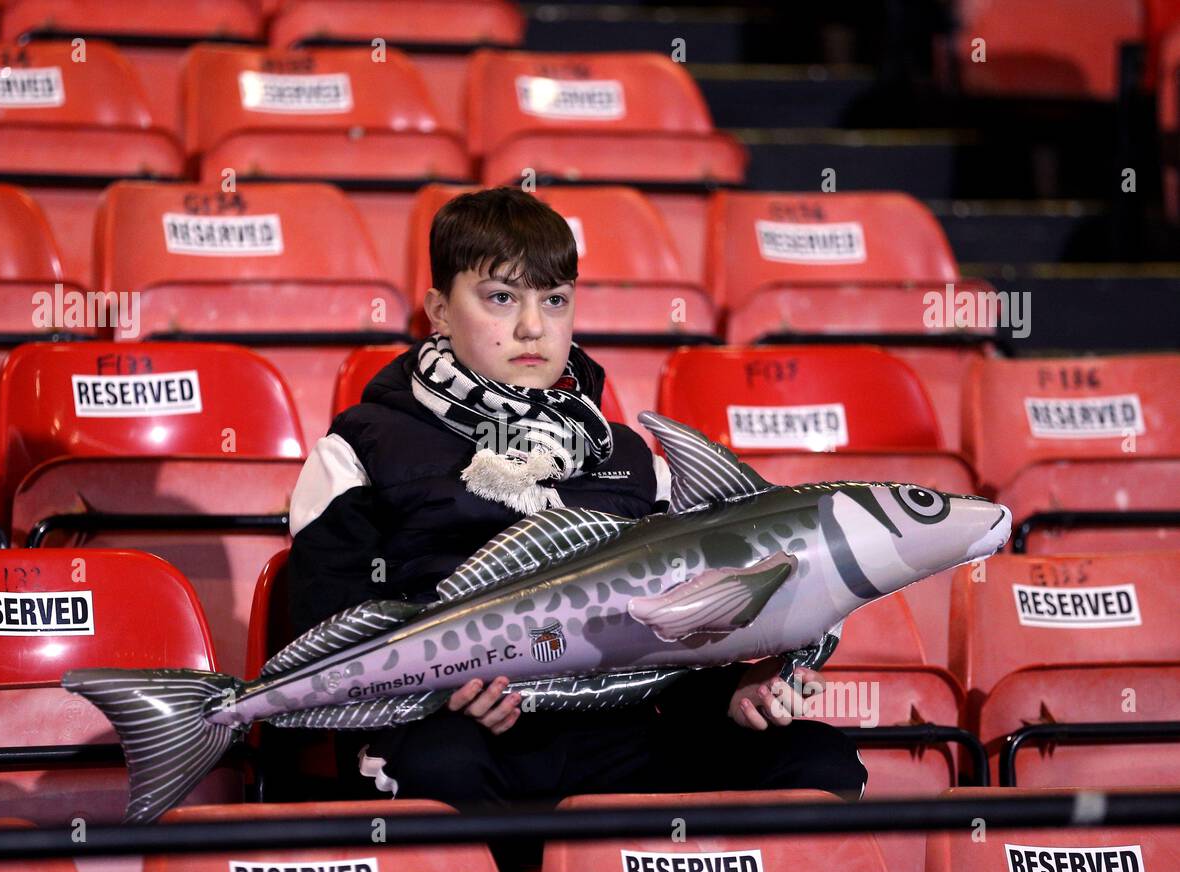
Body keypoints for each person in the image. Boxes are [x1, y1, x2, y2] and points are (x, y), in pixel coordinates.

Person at [280, 186, 867, 814]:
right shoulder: (360, 447)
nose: (532, 327)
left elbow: (685, 621)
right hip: (453, 728)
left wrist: (738, 687)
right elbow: (328, 630)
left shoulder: (633, 459)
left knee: (812, 760)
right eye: (500, 298)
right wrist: (439, 690)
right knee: (441, 769)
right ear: (440, 311)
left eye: (554, 300)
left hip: (623, 725)